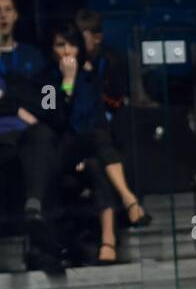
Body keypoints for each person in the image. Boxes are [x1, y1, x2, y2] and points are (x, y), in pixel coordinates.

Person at [45, 22, 150, 265]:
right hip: (62, 151)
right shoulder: (47, 80)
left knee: (95, 162)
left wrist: (78, 79)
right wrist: (67, 82)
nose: (68, 51)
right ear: (52, 50)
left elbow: (97, 119)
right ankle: (129, 199)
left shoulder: (90, 78)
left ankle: (108, 242)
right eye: (61, 45)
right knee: (96, 139)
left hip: (90, 150)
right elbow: (56, 121)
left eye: (72, 45)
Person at [0, 0, 63, 271]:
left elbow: (49, 101)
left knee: (42, 138)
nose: (2, 16)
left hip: (29, 135)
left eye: (7, 10)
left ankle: (34, 209)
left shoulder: (33, 57)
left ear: (16, 16)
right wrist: (18, 105)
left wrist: (10, 99)